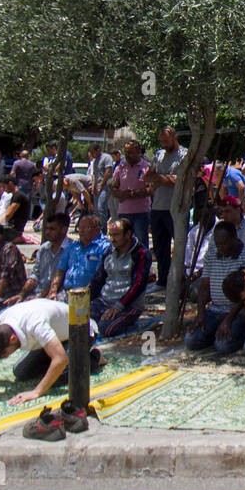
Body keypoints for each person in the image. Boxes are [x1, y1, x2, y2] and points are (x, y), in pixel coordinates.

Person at [0, 298, 99, 406]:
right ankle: (54, 355)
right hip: (55, 338)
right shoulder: (0, 324)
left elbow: (60, 359)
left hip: (81, 332)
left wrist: (37, 392)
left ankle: (95, 357)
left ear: (12, 339)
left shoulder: (35, 324)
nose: (6, 356)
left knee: (58, 375)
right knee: (21, 372)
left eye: (5, 353)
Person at [185, 221, 245, 353]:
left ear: (234, 239)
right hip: (215, 310)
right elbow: (204, 285)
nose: (220, 247)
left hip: (238, 312)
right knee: (191, 340)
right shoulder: (212, 254)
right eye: (217, 243)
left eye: (223, 243)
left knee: (223, 346)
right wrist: (201, 313)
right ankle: (215, 333)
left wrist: (228, 320)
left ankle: (242, 332)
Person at [89, 217, 152, 338]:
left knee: (105, 329)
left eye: (116, 235)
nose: (112, 239)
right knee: (77, 318)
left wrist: (119, 306)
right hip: (104, 300)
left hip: (128, 305)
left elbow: (138, 284)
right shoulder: (109, 251)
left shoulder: (141, 253)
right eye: (110, 235)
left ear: (128, 234)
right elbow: (99, 278)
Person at [145, 127, 188, 288]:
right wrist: (163, 179)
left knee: (179, 246)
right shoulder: (158, 155)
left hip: (176, 207)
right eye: (161, 141)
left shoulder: (184, 155)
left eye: (166, 141)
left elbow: (181, 180)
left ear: (175, 137)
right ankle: (163, 280)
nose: (164, 144)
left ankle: (180, 281)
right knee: (160, 246)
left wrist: (161, 179)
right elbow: (148, 176)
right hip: (157, 206)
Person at [46, 214, 112, 302]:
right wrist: (53, 290)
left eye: (85, 228)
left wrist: (83, 295)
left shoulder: (104, 247)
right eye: (79, 228)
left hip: (89, 295)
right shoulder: (73, 245)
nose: (81, 232)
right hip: (66, 292)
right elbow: (60, 270)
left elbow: (99, 277)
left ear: (97, 229)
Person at [108, 140, 152, 251]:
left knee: (141, 243)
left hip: (140, 213)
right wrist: (120, 194)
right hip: (123, 212)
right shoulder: (121, 167)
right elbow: (113, 186)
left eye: (131, 152)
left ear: (138, 152)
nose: (128, 155)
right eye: (126, 152)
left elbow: (151, 189)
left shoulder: (146, 167)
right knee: (123, 242)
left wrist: (132, 194)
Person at [26, 212, 71, 300]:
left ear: (64, 230)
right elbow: (35, 274)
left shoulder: (71, 249)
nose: (47, 232)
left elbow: (64, 281)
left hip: (58, 295)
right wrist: (23, 293)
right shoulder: (43, 249)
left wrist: (40, 296)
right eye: (46, 228)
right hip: (38, 293)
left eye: (52, 229)